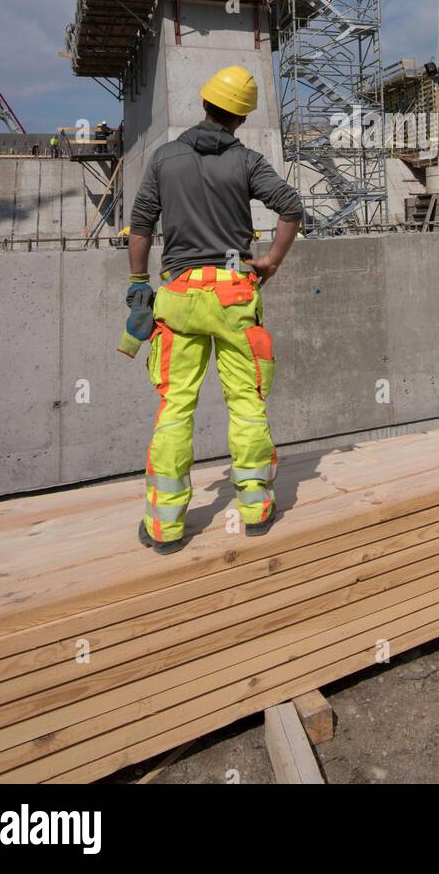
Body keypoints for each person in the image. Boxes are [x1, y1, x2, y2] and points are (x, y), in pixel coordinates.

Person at [121, 66, 302, 555]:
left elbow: (141, 226)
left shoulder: (164, 158)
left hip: (179, 295)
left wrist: (138, 284)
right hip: (234, 295)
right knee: (246, 402)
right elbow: (291, 208)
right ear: (241, 117)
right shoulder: (247, 161)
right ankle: (256, 510)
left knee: (175, 406)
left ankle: (165, 526)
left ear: (204, 103)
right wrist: (271, 262)